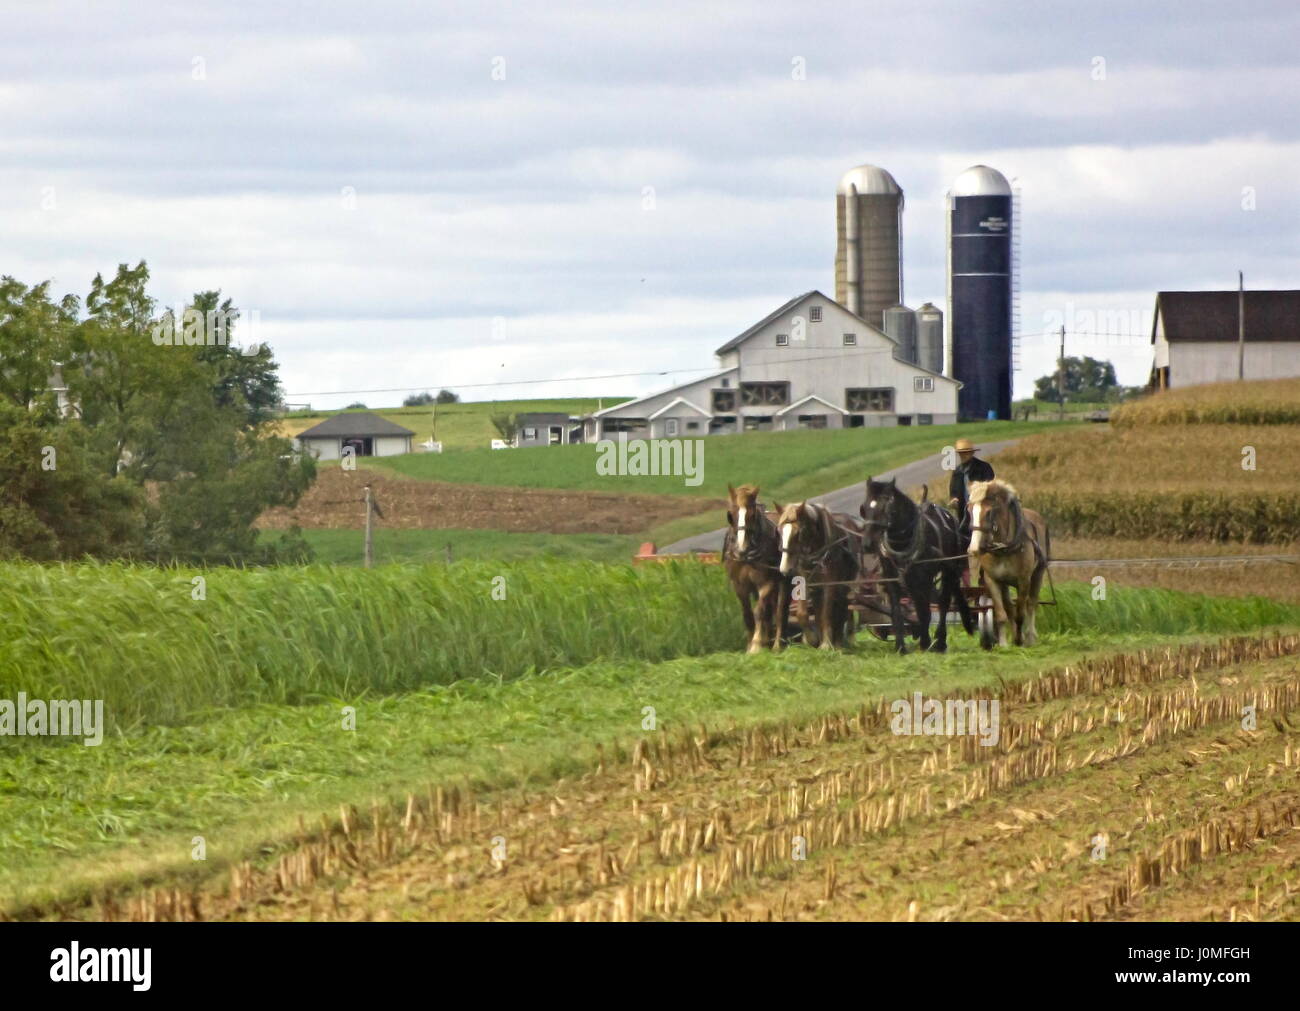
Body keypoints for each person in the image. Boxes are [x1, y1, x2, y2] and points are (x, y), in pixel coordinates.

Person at [948, 437, 994, 540]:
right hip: (964, 512)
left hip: (981, 511)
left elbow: (990, 488)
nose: (963, 456)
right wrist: (954, 500)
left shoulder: (984, 468)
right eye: (961, 453)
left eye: (966, 453)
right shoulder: (957, 472)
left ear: (972, 453)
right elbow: (953, 492)